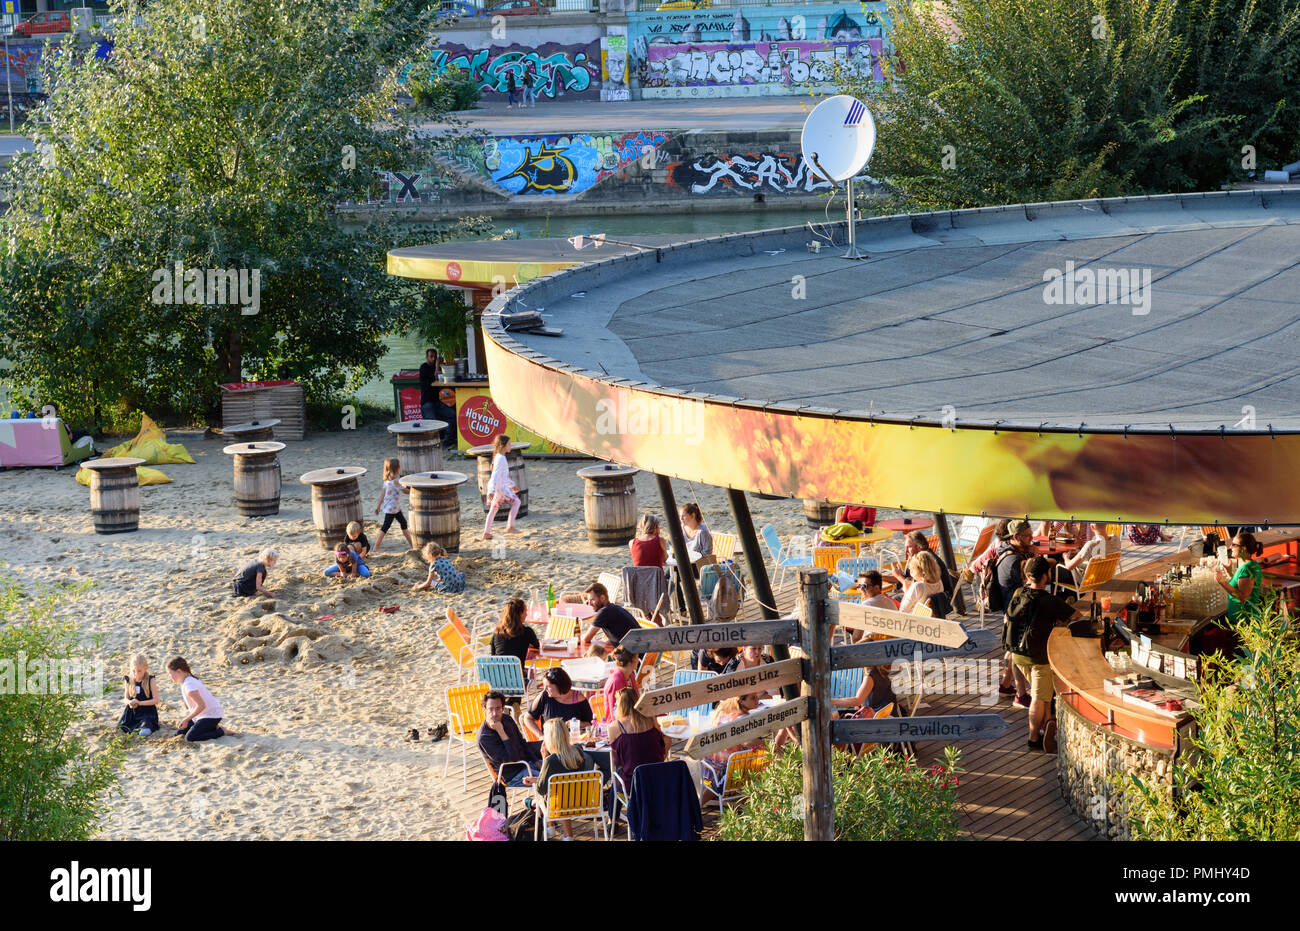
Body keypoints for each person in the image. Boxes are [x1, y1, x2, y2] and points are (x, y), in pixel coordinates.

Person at [1004, 556, 1079, 751]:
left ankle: (1048, 724)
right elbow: (1077, 617)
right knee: (1038, 696)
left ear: (1028, 575)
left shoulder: (1018, 593)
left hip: (1018, 656)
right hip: (1039, 658)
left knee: (1044, 693)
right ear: (1046, 577)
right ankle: (1033, 738)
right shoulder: (1049, 600)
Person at [524, 719, 607, 839]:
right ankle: (556, 830)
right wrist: (536, 779)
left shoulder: (550, 761)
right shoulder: (578, 751)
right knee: (562, 790)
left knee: (551, 793)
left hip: (559, 806)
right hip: (581, 802)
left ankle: (549, 826)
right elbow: (564, 778)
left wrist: (543, 757)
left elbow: (541, 790)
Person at [607, 687, 670, 792]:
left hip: (632, 783)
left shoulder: (614, 727)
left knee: (616, 782)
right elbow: (662, 743)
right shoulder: (651, 719)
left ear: (620, 705)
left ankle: (613, 808)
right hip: (656, 778)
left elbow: (617, 761)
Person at [477, 690, 542, 787]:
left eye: (498, 708)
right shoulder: (484, 737)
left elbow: (522, 743)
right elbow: (512, 758)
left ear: (503, 708)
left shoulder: (507, 719)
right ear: (484, 709)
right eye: (490, 709)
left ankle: (534, 802)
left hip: (528, 763)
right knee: (551, 782)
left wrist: (536, 762)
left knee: (562, 772)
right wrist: (501, 732)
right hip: (514, 775)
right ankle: (533, 802)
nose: (494, 713)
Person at [166, 657, 227, 742]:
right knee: (180, 733)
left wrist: (186, 719)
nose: (170, 677)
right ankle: (212, 727)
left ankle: (221, 731)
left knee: (190, 738)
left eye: (170, 674)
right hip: (201, 715)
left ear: (179, 671)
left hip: (212, 715)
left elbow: (201, 705)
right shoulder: (186, 679)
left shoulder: (189, 684)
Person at [522, 667, 593, 738]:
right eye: (544, 686)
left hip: (574, 742)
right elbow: (528, 718)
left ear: (560, 686)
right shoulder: (544, 696)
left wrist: (578, 724)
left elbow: (590, 724)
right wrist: (541, 736)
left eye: (548, 686)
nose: (544, 689)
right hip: (551, 743)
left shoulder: (579, 698)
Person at [885, 530, 955, 599]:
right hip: (938, 599)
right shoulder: (920, 558)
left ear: (919, 547)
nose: (906, 551)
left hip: (932, 602)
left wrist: (899, 576)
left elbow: (914, 590)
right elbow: (905, 579)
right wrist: (880, 577)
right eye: (905, 547)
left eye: (909, 547)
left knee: (894, 599)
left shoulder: (926, 563)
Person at [1214, 531, 1264, 624]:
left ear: (1243, 548)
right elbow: (1239, 585)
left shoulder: (1248, 568)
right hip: (1240, 621)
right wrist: (1228, 571)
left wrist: (1222, 582)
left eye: (1234, 545)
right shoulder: (1246, 565)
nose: (1230, 547)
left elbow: (1242, 597)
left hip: (1245, 622)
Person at [482, 435, 521, 540]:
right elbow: (495, 475)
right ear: (503, 446)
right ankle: (510, 526)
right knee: (517, 502)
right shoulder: (500, 458)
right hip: (501, 489)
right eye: (509, 444)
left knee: (493, 510)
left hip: (499, 489)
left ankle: (486, 533)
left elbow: (502, 476)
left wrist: (512, 485)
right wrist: (491, 490)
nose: (510, 446)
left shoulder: (499, 457)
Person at [1059, 522, 1119, 588]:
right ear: (1106, 524)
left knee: (1055, 570)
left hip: (1087, 581)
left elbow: (1069, 566)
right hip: (1104, 578)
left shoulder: (1090, 545)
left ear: (1092, 527)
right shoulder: (1116, 539)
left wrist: (1065, 557)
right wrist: (1079, 552)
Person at [417, 348, 457, 446]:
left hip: (437, 401)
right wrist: (437, 365)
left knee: (452, 415)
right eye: (431, 357)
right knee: (432, 423)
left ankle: (447, 440)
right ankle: (432, 443)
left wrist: (442, 364)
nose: (433, 359)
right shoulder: (424, 367)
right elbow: (435, 377)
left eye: (435, 357)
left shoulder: (437, 367)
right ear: (427, 357)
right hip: (427, 402)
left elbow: (443, 377)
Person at [373, 458, 413, 553]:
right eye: (399, 467)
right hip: (391, 509)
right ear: (396, 469)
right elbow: (405, 491)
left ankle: (412, 544)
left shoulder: (387, 481)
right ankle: (375, 547)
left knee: (403, 524)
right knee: (385, 527)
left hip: (394, 508)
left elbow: (382, 495)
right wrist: (415, 489)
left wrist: (378, 507)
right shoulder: (395, 482)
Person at [580, 581, 638, 647]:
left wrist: (579, 638)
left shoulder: (603, 612)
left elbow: (586, 639)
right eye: (588, 601)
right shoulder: (614, 608)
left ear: (602, 598)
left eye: (592, 600)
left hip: (630, 655)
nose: (590, 604)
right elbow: (619, 634)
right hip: (639, 650)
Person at [118, 654, 161, 736]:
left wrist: (140, 703)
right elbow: (125, 699)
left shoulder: (150, 680)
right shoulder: (128, 680)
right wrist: (130, 702)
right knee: (122, 728)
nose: (136, 674)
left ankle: (151, 726)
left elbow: (156, 700)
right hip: (132, 713)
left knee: (144, 730)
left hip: (147, 712)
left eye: (139, 671)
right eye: (133, 671)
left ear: (145, 669)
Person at [490, 597, 539, 668]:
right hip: (518, 676)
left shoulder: (497, 631)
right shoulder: (527, 632)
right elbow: (536, 647)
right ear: (520, 614)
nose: (527, 614)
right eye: (525, 611)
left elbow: (493, 655)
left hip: (498, 675)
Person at [829, 664, 896, 714]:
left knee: (836, 716)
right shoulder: (879, 672)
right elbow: (875, 697)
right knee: (837, 714)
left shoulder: (871, 675)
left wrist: (829, 701)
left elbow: (857, 700)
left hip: (875, 717)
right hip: (884, 713)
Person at [898, 550, 946, 615]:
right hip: (932, 616)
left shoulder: (918, 586)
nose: (911, 573)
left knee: (894, 599)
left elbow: (902, 611)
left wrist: (906, 592)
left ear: (919, 570)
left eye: (912, 570)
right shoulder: (939, 582)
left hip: (916, 620)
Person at [602, 646, 639, 722]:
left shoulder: (630, 675)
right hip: (619, 724)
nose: (638, 660)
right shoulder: (615, 681)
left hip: (632, 718)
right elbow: (614, 713)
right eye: (637, 657)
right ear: (630, 661)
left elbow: (637, 698)